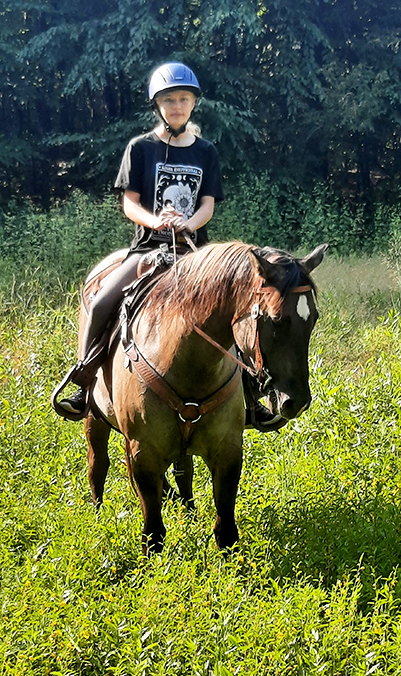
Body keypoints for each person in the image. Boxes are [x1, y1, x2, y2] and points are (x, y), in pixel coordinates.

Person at [53, 61, 281, 430]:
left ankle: (251, 396)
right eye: (170, 99)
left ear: (194, 104)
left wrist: (188, 224)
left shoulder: (205, 151)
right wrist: (155, 220)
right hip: (147, 250)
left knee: (235, 312)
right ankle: (83, 382)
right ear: (157, 105)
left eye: (184, 99)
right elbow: (129, 202)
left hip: (195, 255)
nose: (177, 105)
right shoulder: (140, 148)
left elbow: (207, 203)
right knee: (101, 302)